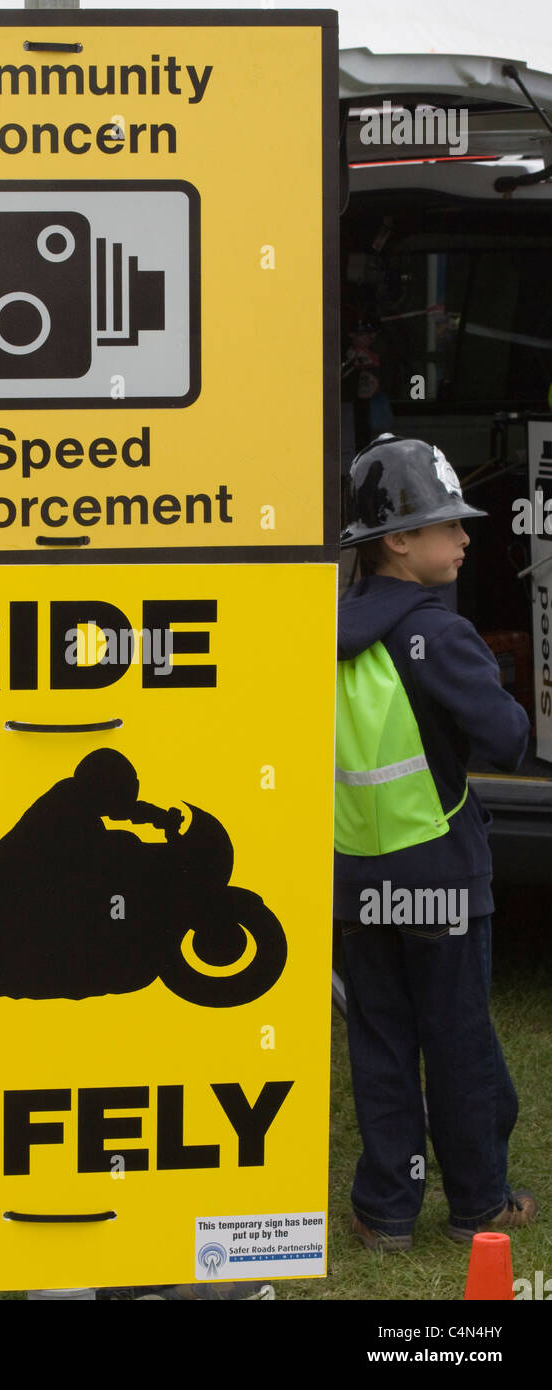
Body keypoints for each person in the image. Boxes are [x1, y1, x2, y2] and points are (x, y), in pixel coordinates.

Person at [335, 433, 537, 1250]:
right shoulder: (439, 634)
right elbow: (510, 739)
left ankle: (384, 1212)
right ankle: (477, 1205)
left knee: (380, 1042)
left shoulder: (324, 638)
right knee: (456, 1040)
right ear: (398, 540)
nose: (463, 540)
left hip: (356, 880)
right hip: (445, 878)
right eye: (447, 525)